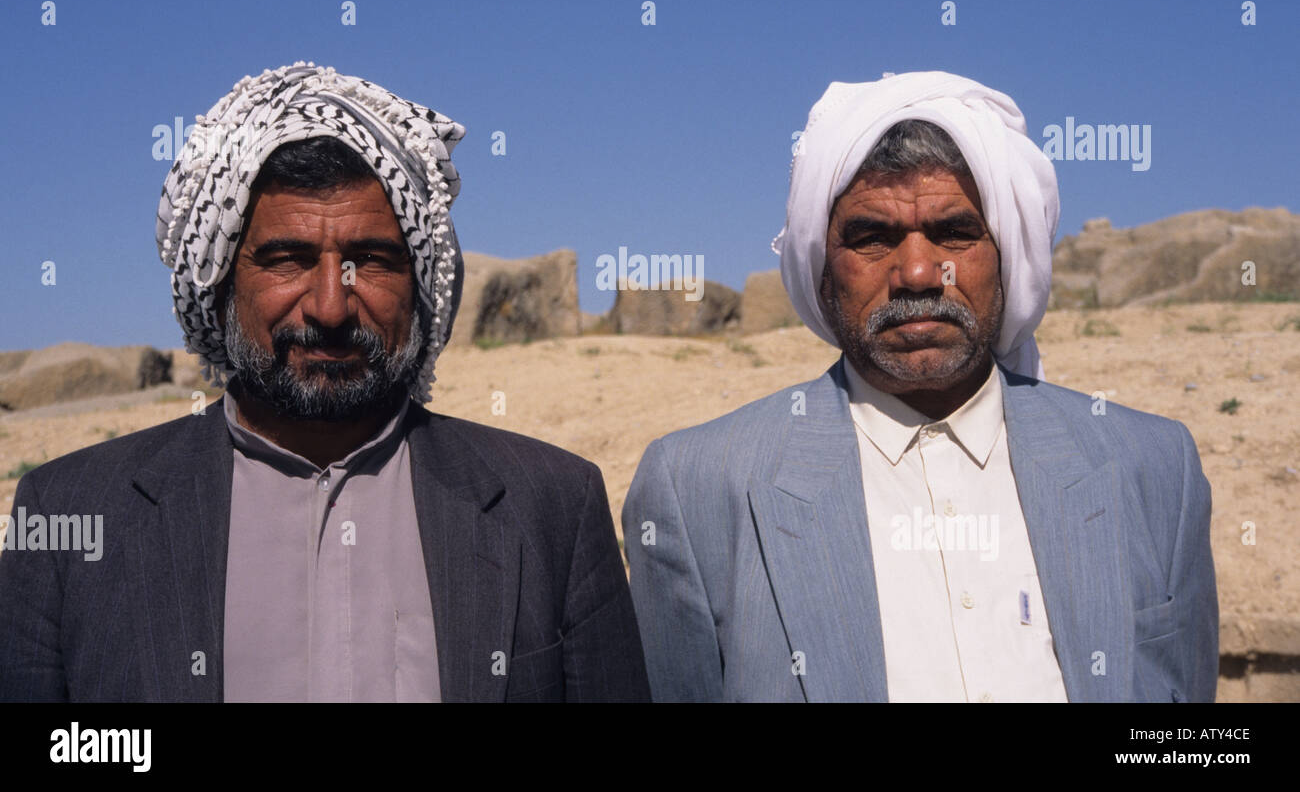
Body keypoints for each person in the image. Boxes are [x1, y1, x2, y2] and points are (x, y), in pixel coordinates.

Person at [0, 62, 649, 702]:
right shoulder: (69, 515)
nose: (332, 308)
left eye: (371, 260)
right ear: (222, 283)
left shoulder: (553, 507)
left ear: (418, 282)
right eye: (288, 259)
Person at [623, 70, 1217, 702]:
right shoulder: (698, 488)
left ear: (1006, 253)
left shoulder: (1153, 467)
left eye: (953, 232)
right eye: (872, 238)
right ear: (824, 272)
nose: (916, 272)